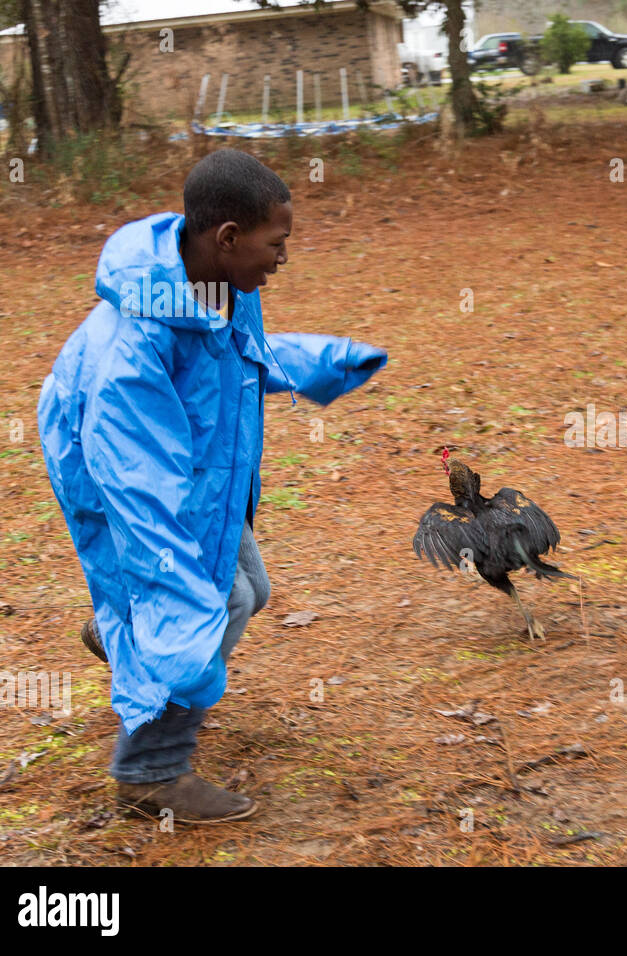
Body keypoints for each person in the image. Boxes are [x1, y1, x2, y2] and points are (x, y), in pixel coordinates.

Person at [38, 149, 387, 821]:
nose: (283, 257)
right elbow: (139, 491)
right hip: (117, 472)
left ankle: (126, 644)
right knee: (207, 604)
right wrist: (175, 605)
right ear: (228, 237)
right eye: (276, 243)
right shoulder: (133, 351)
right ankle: (148, 770)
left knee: (252, 590)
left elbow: (236, 362)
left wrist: (321, 362)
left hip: (196, 465)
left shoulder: (221, 287)